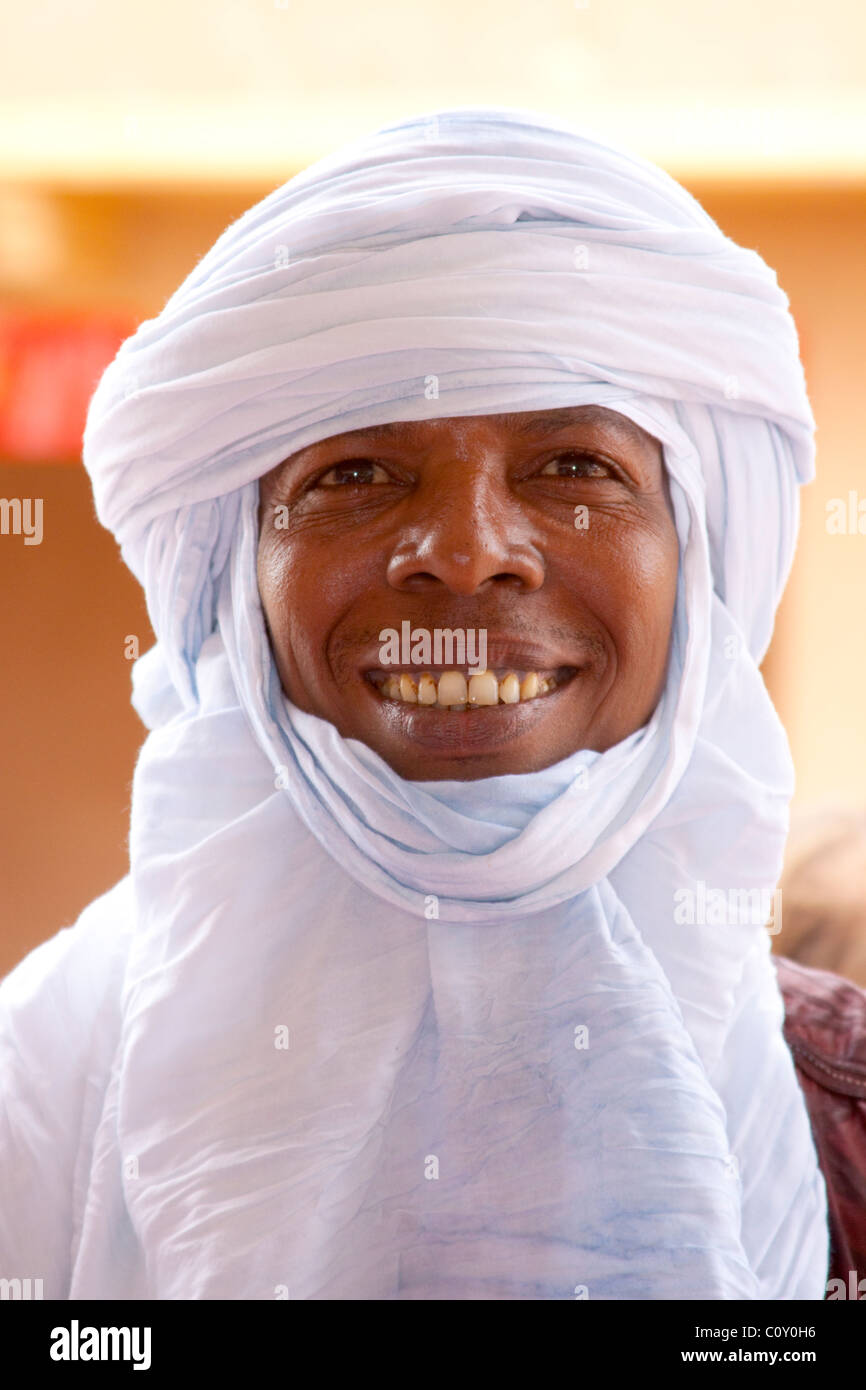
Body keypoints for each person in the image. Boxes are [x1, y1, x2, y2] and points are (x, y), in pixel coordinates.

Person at [0, 106, 833, 1300]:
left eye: (574, 466)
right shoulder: (33, 1092)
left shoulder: (840, 1108)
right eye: (354, 474)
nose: (464, 549)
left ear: (698, 562)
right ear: (231, 584)